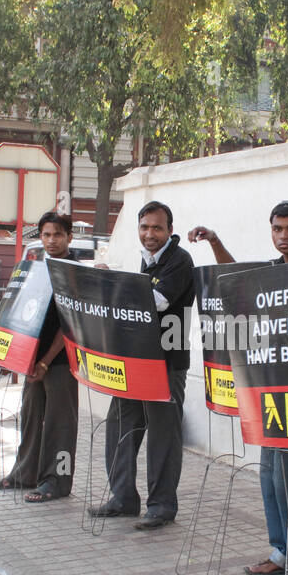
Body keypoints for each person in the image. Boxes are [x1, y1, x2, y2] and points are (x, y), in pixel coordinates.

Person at [188, 200, 288, 575]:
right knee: (268, 475)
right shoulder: (270, 273)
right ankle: (281, 551)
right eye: (278, 229)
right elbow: (233, 278)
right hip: (268, 391)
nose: (284, 236)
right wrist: (214, 241)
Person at [89, 200, 195, 530]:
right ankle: (123, 498)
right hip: (135, 358)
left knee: (163, 434)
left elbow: (156, 304)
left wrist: (111, 286)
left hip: (167, 360)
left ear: (170, 230)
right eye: (144, 227)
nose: (150, 234)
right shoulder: (146, 262)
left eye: (157, 228)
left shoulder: (179, 260)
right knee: (120, 424)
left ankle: (162, 506)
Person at [0, 212, 80, 502]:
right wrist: (15, 358)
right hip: (33, 361)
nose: (51, 240)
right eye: (46, 234)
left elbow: (70, 326)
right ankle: (24, 474)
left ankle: (57, 482)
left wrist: (45, 363)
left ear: (69, 237)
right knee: (30, 417)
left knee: (60, 425)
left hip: (60, 362)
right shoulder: (35, 269)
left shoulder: (73, 271)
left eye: (57, 234)